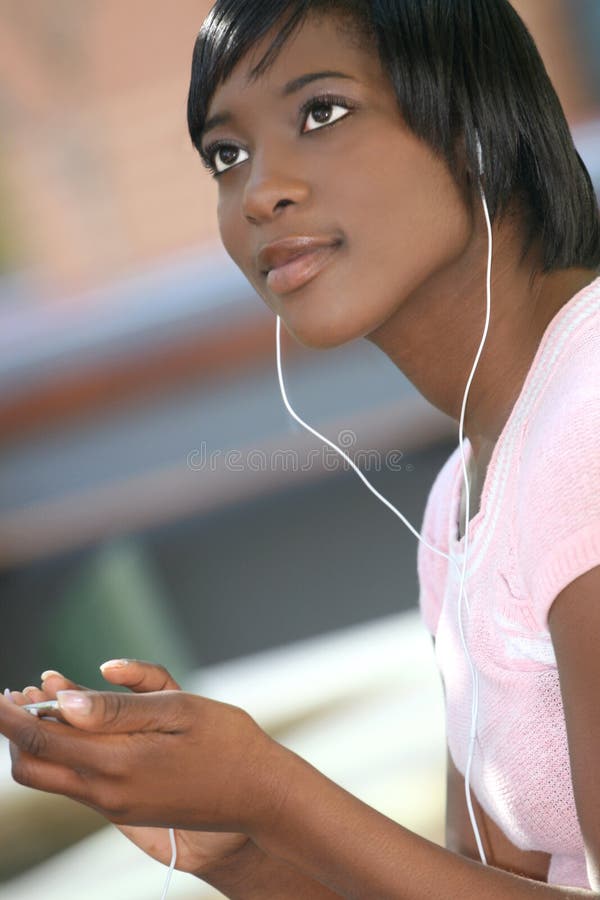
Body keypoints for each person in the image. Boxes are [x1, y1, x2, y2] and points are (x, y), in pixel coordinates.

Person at [2, 0, 600, 895]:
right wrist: (243, 842)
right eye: (225, 154)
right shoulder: (465, 495)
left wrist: (272, 790)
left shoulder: (587, 423)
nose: (259, 191)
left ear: (474, 118)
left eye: (321, 112)